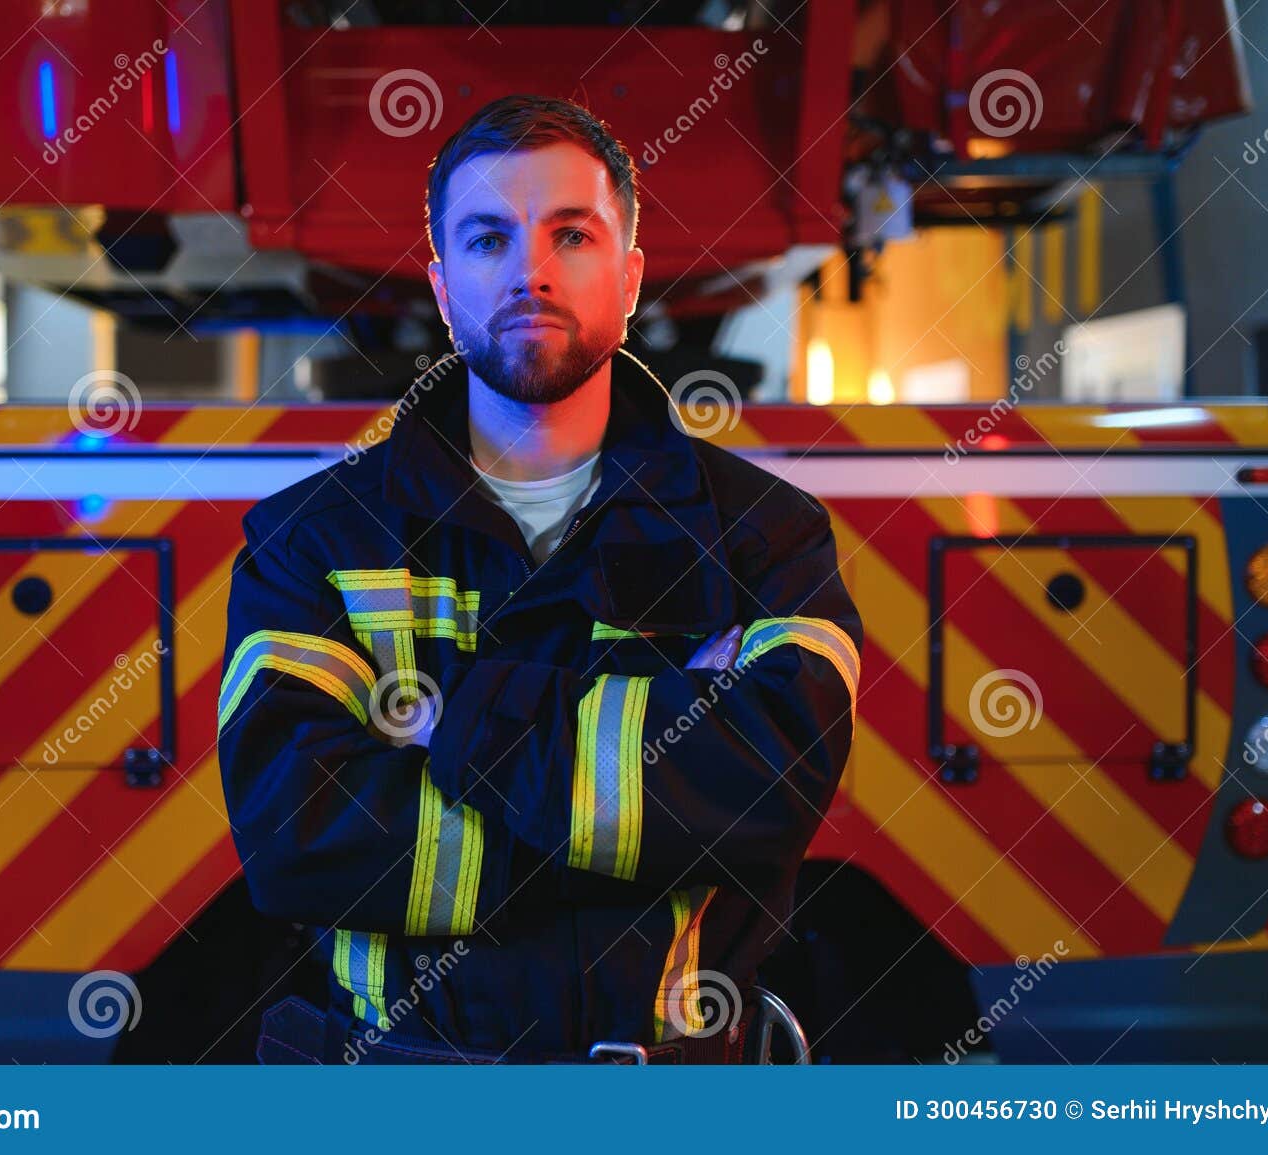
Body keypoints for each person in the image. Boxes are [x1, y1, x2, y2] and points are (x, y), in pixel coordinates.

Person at [218, 94, 861, 1064]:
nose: (529, 271)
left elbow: (768, 800)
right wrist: (651, 813)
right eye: (486, 240)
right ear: (441, 288)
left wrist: (451, 724)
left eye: (572, 233)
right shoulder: (309, 542)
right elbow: (297, 846)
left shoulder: (765, 536)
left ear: (631, 273)